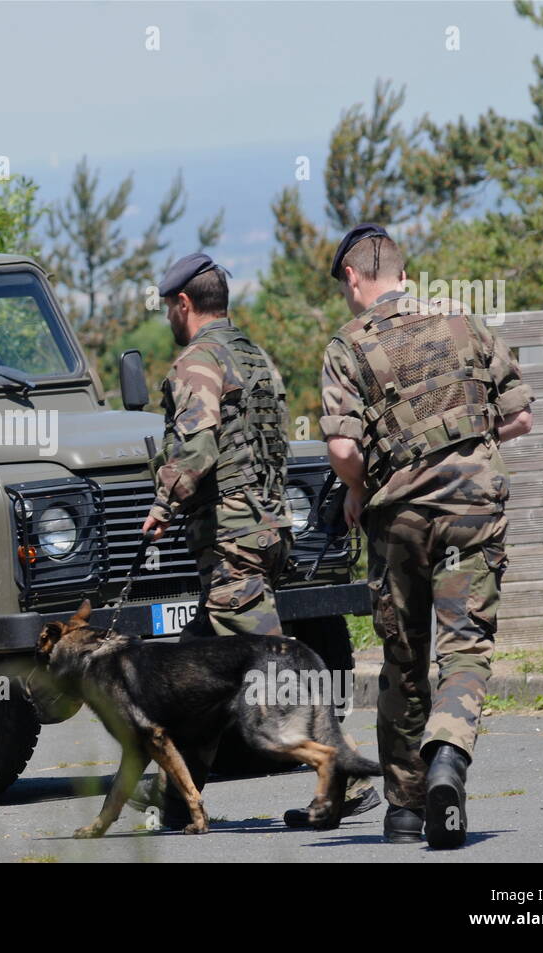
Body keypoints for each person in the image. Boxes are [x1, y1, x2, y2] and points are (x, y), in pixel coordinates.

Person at [137, 253, 374, 828]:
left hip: (232, 541)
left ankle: (343, 772)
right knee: (195, 672)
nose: (170, 314)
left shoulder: (199, 361)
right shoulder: (255, 356)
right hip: (267, 530)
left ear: (183, 304)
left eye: (170, 305)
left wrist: (164, 503)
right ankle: (174, 797)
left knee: (271, 670)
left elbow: (198, 446)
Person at [319, 224, 533, 848]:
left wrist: (357, 489)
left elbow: (340, 447)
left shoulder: (346, 345)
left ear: (354, 278)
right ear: (405, 275)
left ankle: (405, 811)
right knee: (465, 650)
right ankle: (449, 757)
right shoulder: (463, 320)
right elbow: (520, 413)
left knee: (403, 658)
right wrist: (467, 440)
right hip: (474, 507)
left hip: (398, 520)